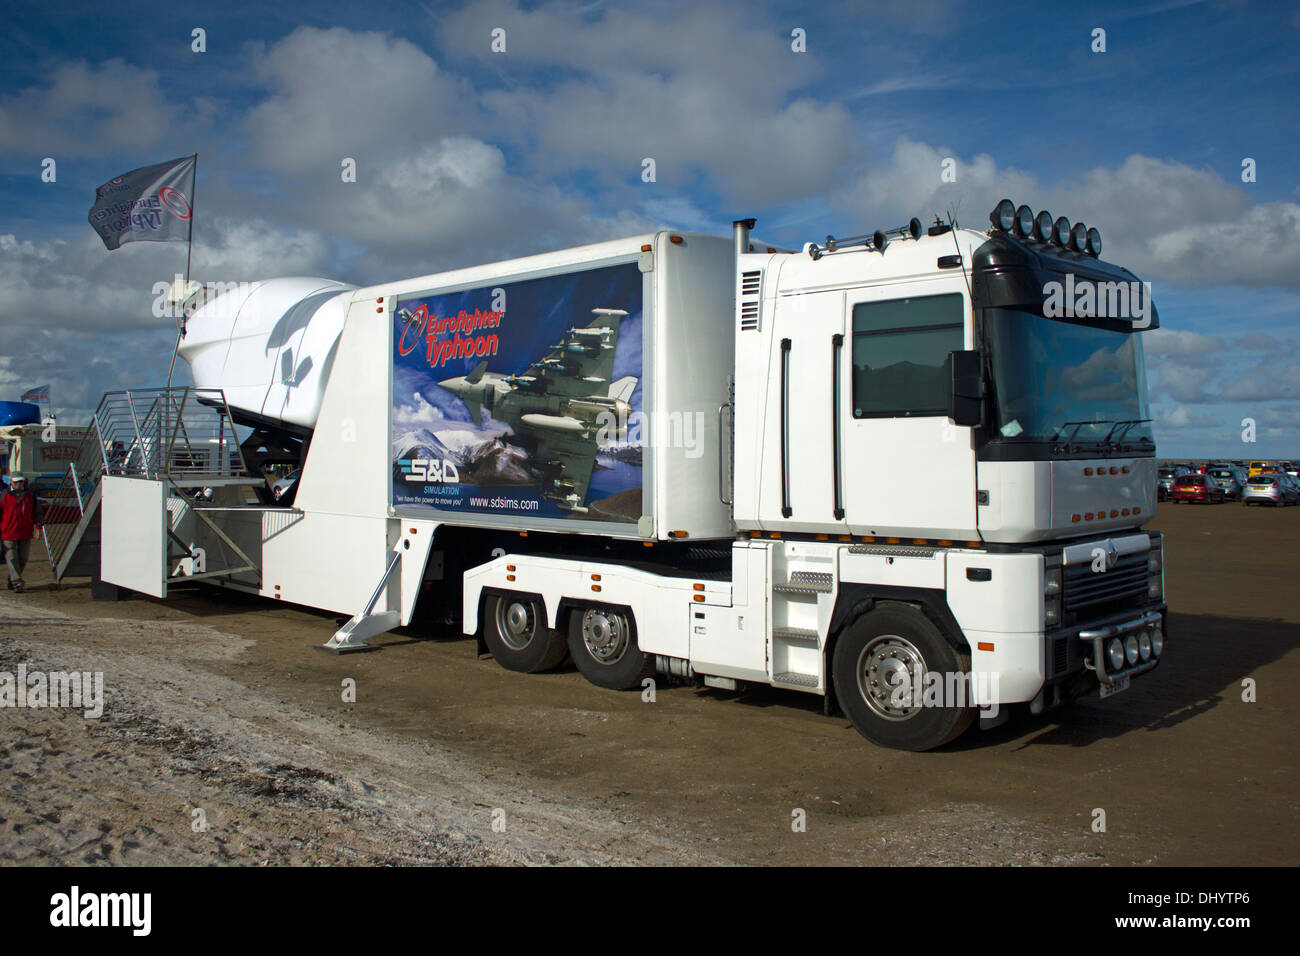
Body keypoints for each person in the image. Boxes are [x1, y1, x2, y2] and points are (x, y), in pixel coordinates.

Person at [2, 475, 44, 593]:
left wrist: (38, 527)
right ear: (10, 482)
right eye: (15, 482)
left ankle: (13, 578)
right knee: (11, 557)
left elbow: (37, 512)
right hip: (8, 532)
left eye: (20, 482)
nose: (18, 484)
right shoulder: (4, 495)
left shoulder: (29, 496)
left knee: (23, 558)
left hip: (25, 532)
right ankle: (17, 582)